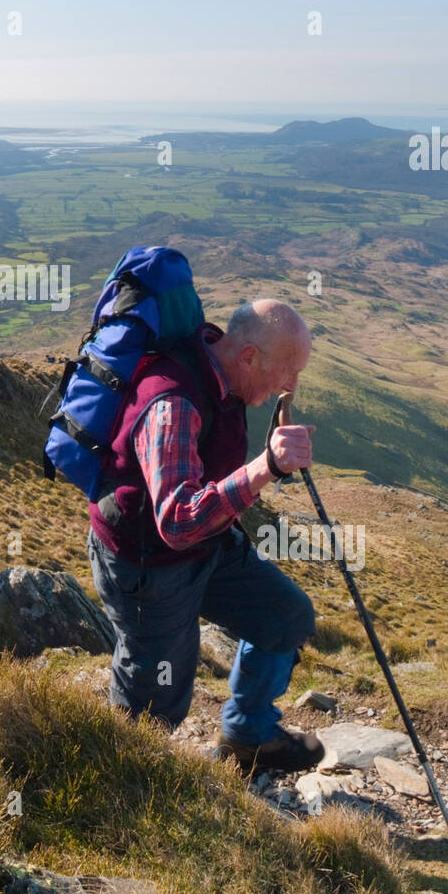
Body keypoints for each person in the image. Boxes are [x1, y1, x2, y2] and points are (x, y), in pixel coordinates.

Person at [87, 299, 324, 774]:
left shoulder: (225, 372)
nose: (291, 386)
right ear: (250, 356)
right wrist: (267, 467)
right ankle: (118, 792)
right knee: (155, 705)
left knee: (285, 617)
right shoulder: (172, 402)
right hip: (148, 565)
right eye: (286, 371)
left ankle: (248, 738)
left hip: (207, 545)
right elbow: (177, 522)